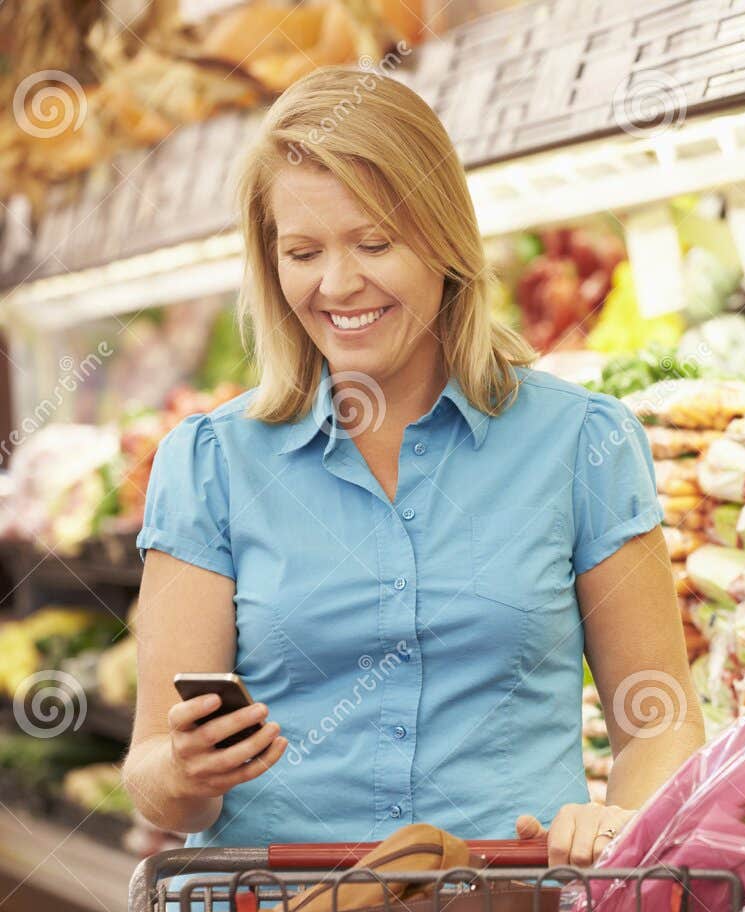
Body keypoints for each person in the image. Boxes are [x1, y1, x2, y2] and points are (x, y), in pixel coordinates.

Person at [121, 67, 704, 867]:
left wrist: (622, 818)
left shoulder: (580, 443)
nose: (337, 284)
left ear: (443, 239)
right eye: (303, 251)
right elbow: (152, 772)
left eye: (374, 243)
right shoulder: (212, 463)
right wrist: (188, 770)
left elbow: (662, 718)